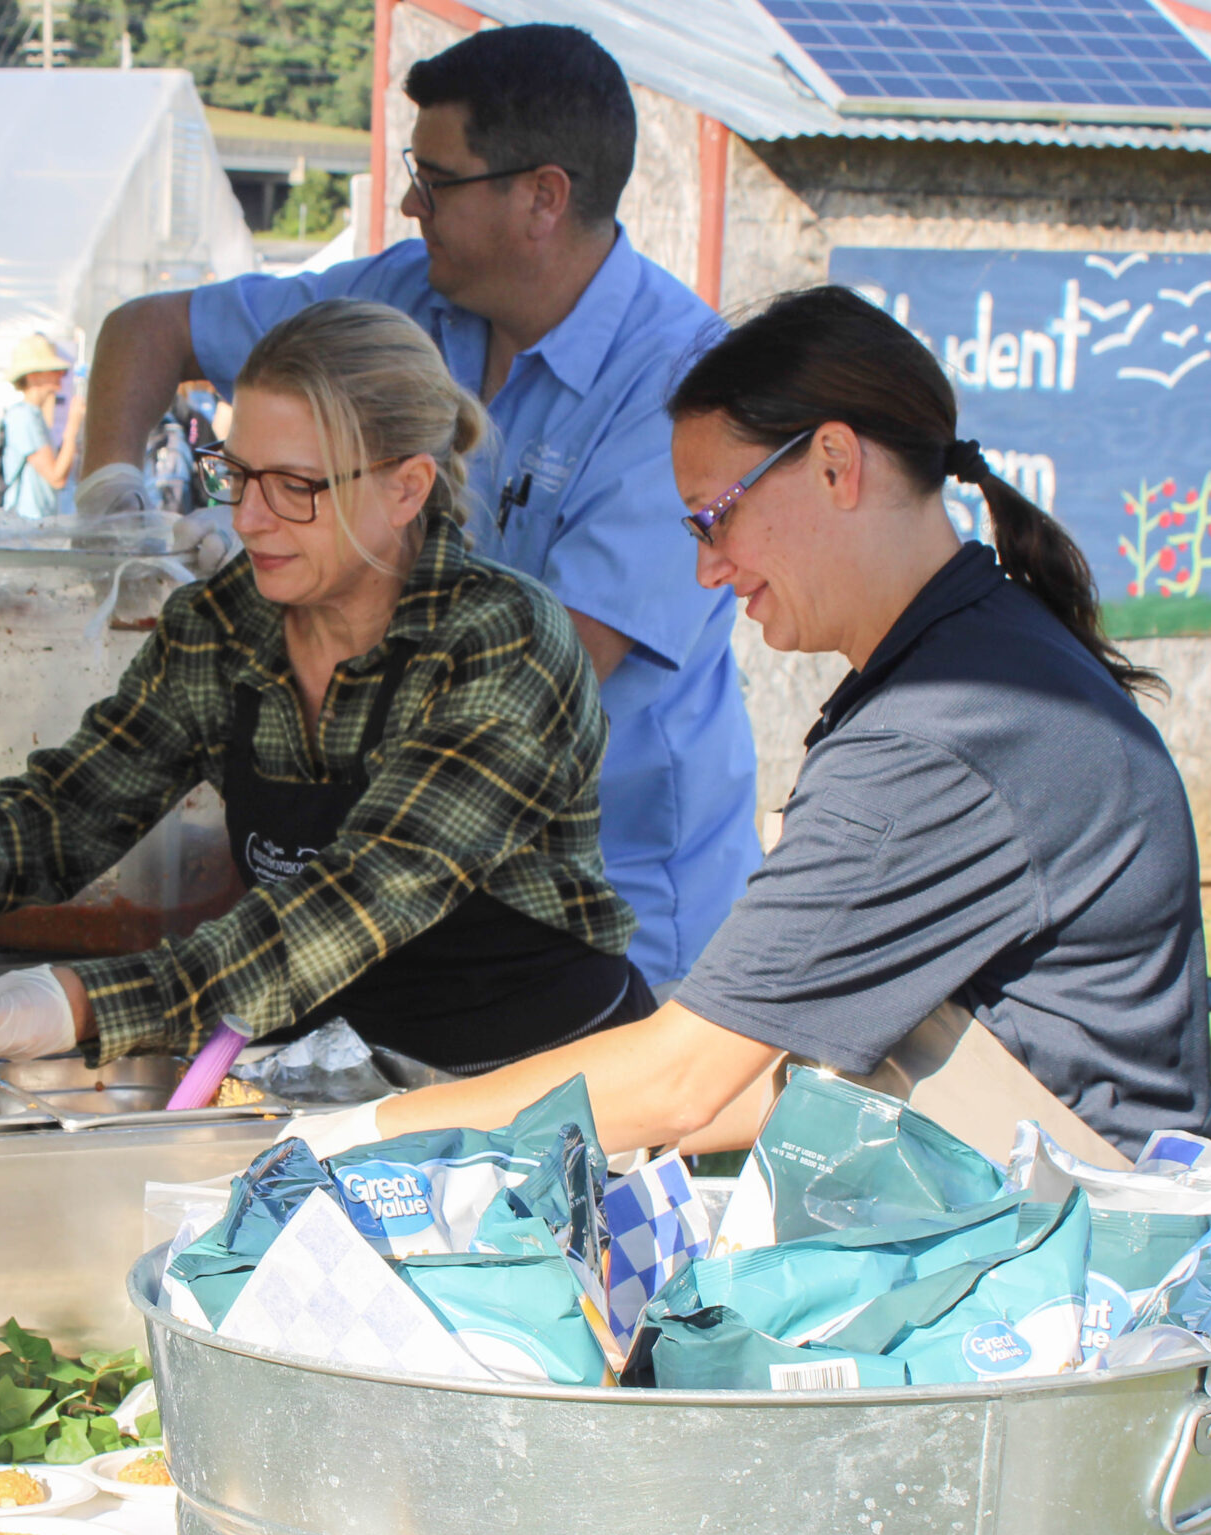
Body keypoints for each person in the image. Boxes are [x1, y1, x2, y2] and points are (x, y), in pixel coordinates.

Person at [297, 287, 1207, 1157]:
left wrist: (372, 1133)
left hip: (1062, 1236)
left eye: (714, 519)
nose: (708, 569)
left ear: (836, 464)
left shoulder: (941, 731)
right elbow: (768, 1069)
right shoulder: (973, 659)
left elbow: (684, 1077)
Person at [79, 24, 760, 987]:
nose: (409, 205)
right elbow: (146, 329)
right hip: (404, 896)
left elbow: (534, 682)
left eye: (435, 182)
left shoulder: (679, 386)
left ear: (543, 197)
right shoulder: (402, 297)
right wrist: (111, 508)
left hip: (610, 916)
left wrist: (270, 596)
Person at [0, 300, 653, 1074]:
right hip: (329, 1070)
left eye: (295, 486)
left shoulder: (503, 642)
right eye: (237, 473)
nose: (251, 519)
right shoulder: (224, 628)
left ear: (407, 487)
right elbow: (77, 804)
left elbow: (363, 898)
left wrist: (84, 1005)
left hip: (535, 1080)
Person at [0, 335, 83, 524]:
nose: (60, 374)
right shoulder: (23, 416)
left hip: (38, 522)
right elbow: (57, 478)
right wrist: (73, 426)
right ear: (33, 376)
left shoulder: (34, 415)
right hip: (27, 524)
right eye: (53, 370)